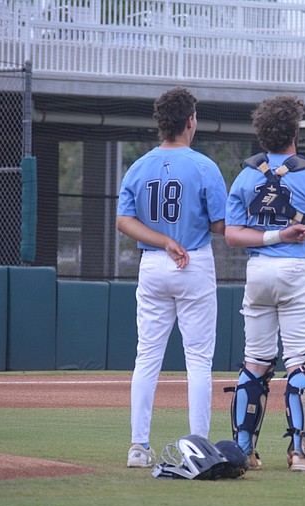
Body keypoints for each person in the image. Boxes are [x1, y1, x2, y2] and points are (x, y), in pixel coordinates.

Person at [225, 94, 305, 473]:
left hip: (257, 271)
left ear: (261, 133)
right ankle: (302, 455)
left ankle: (243, 452)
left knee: (255, 363)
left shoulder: (246, 175)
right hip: (295, 271)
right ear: (294, 132)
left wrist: (269, 232)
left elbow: (232, 235)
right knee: (301, 362)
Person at [117, 87, 227, 468]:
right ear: (190, 121)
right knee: (198, 360)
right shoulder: (204, 166)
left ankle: (138, 447)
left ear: (161, 123)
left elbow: (124, 221)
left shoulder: (139, 166)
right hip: (193, 262)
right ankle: (199, 448)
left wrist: (163, 240)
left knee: (147, 356)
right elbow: (220, 224)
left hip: (153, 262)